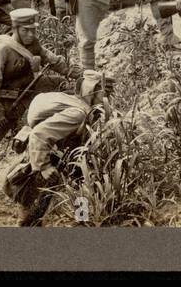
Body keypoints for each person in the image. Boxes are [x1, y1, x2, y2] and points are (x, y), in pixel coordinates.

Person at [0, 8, 71, 206]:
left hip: (23, 101)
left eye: (33, 30)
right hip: (1, 104)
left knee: (32, 140)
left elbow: (55, 62)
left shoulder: (34, 45)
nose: (31, 34)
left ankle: (26, 184)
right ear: (16, 29)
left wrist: (77, 74)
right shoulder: (2, 51)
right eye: (26, 30)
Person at [6, 70, 111, 225]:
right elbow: (39, 135)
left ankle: (81, 221)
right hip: (42, 151)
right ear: (92, 92)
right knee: (34, 197)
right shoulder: (78, 113)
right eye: (105, 93)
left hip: (56, 150)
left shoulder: (73, 101)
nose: (108, 98)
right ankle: (28, 224)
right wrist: (44, 166)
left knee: (79, 180)